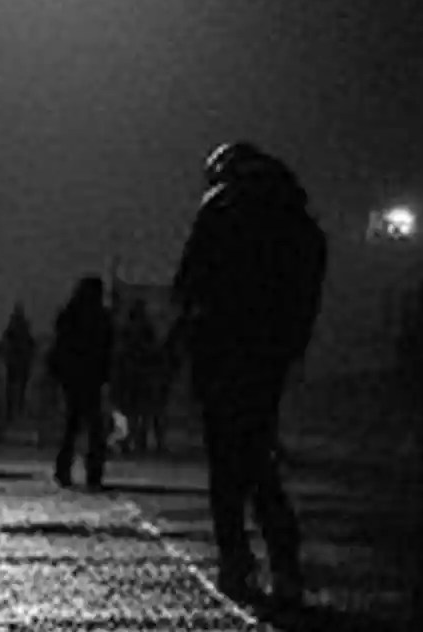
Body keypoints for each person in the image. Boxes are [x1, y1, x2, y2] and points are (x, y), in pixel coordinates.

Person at [172, 141, 327, 606]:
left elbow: (188, 281)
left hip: (222, 348)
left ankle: (236, 563)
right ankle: (286, 564)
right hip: (269, 355)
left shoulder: (220, 206)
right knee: (259, 457)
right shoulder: (297, 217)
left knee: (226, 464)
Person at [46, 276, 114, 490]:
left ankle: (65, 468)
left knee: (74, 425)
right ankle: (93, 472)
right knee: (92, 427)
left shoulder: (71, 314)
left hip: (75, 376)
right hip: (89, 376)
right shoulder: (98, 317)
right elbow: (107, 347)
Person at [115, 301, 161, 454]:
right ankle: (138, 440)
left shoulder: (128, 331)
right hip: (140, 374)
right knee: (140, 411)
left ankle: (132, 439)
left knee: (133, 411)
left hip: (133, 375)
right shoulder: (145, 331)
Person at [1, 304, 36, 420]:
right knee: (14, 387)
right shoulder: (14, 325)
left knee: (18, 387)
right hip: (16, 360)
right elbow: (8, 340)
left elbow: (30, 342)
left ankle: (15, 409)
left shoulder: (20, 325)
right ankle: (12, 409)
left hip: (20, 360)